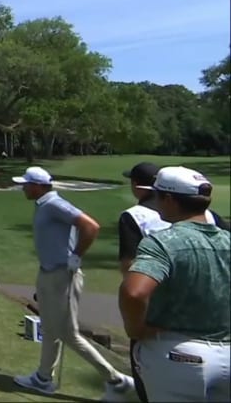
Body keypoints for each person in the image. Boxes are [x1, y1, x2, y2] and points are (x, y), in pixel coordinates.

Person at [12, 166, 135, 399]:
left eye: (26, 184)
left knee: (69, 333)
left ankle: (116, 379)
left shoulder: (54, 204)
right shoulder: (44, 205)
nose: (23, 188)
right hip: (49, 273)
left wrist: (76, 256)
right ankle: (43, 378)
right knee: (49, 328)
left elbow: (90, 226)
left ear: (38, 186)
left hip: (63, 275)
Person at [120, 166, 231, 403]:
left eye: (157, 195)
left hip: (178, 356)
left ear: (169, 199)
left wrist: (136, 330)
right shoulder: (228, 240)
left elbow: (134, 293)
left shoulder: (162, 242)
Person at [117, 161, 168, 403]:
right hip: (207, 317)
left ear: (137, 186)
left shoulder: (134, 217)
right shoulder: (208, 216)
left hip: (154, 312)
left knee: (148, 384)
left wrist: (134, 324)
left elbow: (130, 271)